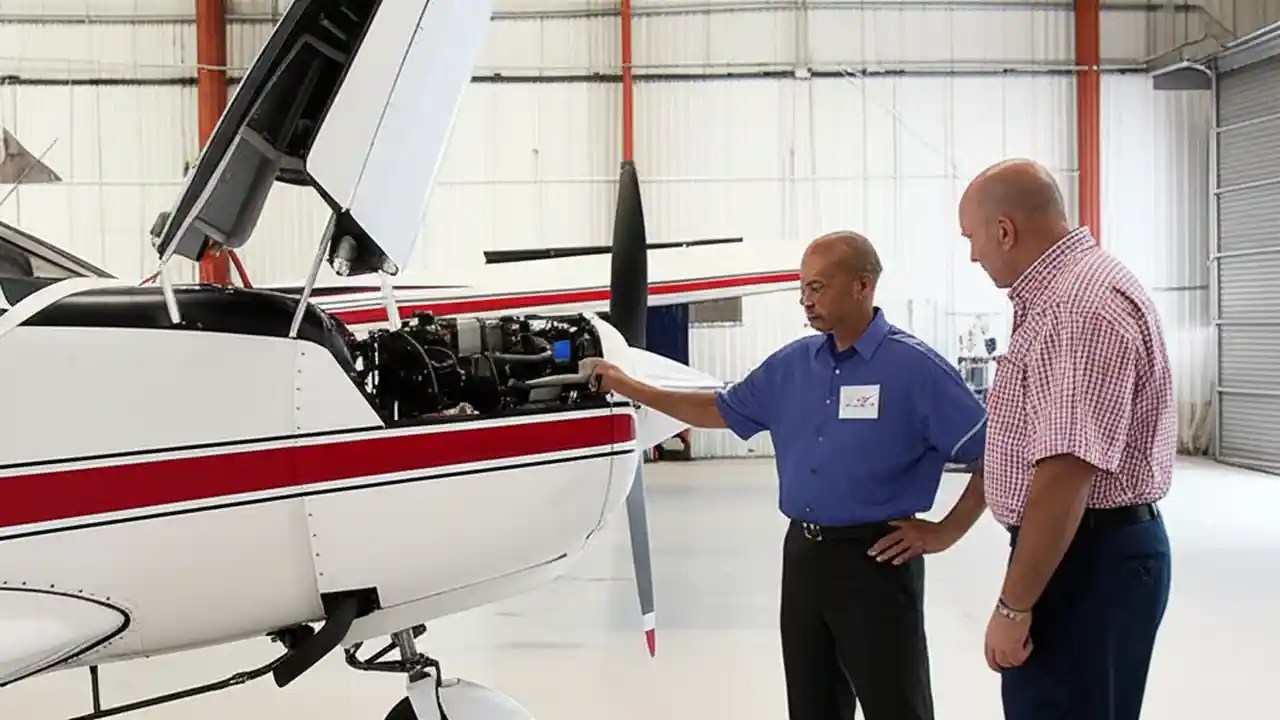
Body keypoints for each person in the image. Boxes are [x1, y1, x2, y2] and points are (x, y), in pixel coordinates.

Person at [588, 230, 990, 720]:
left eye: (818, 287)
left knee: (897, 705)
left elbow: (994, 454)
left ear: (863, 285)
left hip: (876, 561)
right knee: (811, 704)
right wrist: (630, 386)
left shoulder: (915, 369)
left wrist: (946, 531)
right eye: (803, 289)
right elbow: (717, 408)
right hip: (805, 557)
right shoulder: (793, 366)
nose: (806, 300)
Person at [956, 158, 1175, 720]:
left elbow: (1064, 476)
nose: (973, 255)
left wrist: (1013, 606)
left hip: (1085, 558)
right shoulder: (1071, 291)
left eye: (972, 238)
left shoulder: (1074, 308)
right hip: (1085, 550)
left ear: (1004, 230)